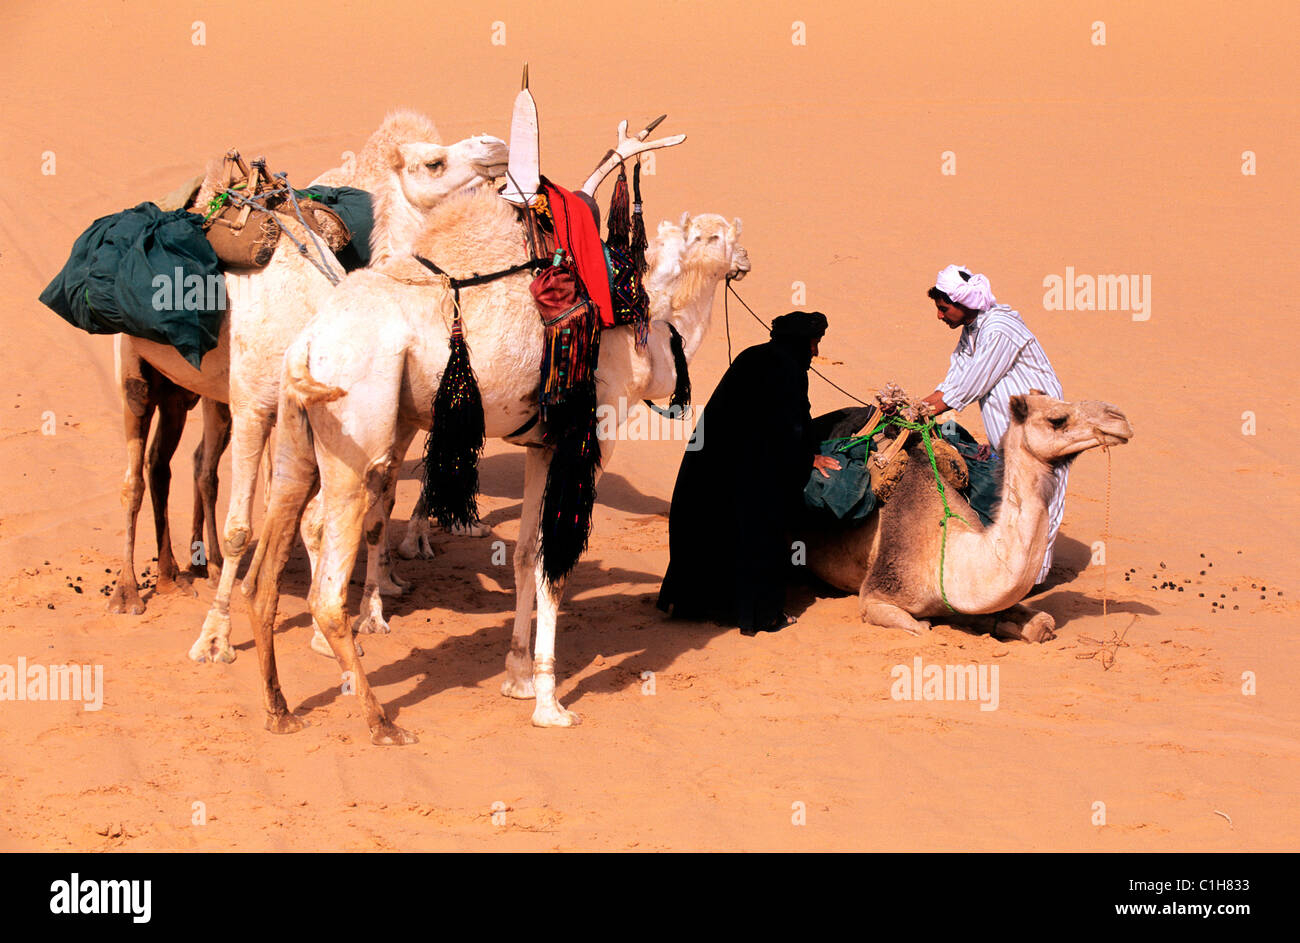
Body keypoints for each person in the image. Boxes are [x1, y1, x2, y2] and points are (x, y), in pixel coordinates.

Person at [658, 311, 841, 634]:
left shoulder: (753, 356)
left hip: (711, 465)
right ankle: (763, 615)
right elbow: (789, 425)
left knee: (712, 531)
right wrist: (807, 458)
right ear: (801, 343)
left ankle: (699, 605)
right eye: (814, 343)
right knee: (761, 534)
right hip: (753, 470)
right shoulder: (789, 371)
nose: (815, 351)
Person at [919, 264, 1066, 585]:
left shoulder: (999, 328)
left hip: (1040, 437)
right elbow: (953, 379)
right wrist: (914, 407)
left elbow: (968, 386)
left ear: (962, 303)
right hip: (1009, 442)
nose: (940, 316)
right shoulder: (972, 332)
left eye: (943, 309)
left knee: (1039, 506)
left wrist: (920, 412)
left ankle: (1030, 584)